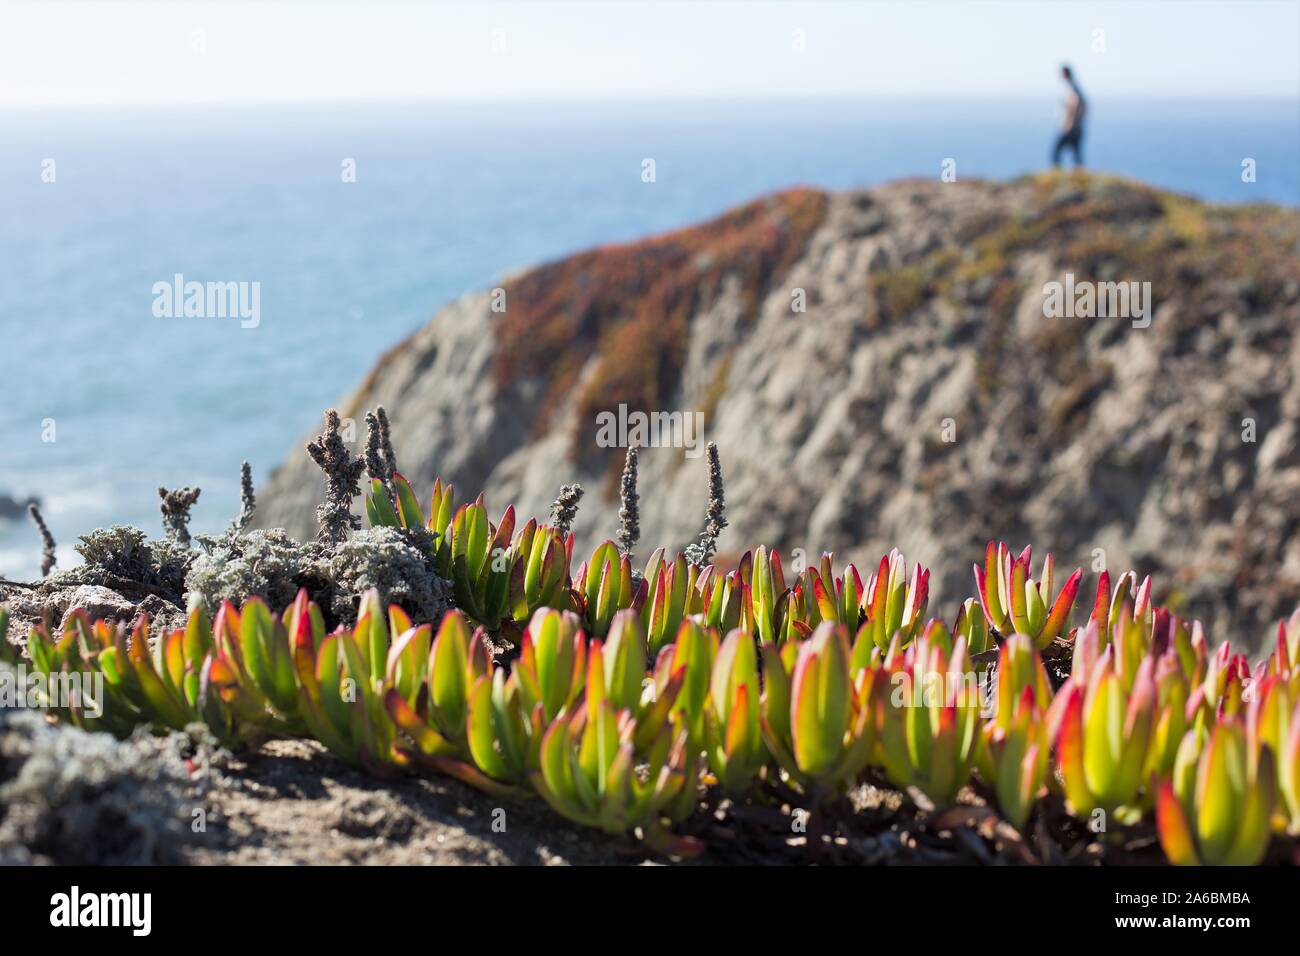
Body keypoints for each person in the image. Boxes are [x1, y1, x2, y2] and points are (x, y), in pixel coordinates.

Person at [1052, 65, 1086, 168]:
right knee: (1076, 154)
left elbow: (1077, 103)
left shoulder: (1072, 87)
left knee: (1057, 151)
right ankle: (1080, 175)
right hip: (1076, 127)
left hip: (1072, 127)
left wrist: (1070, 122)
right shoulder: (1073, 87)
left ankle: (1057, 173)